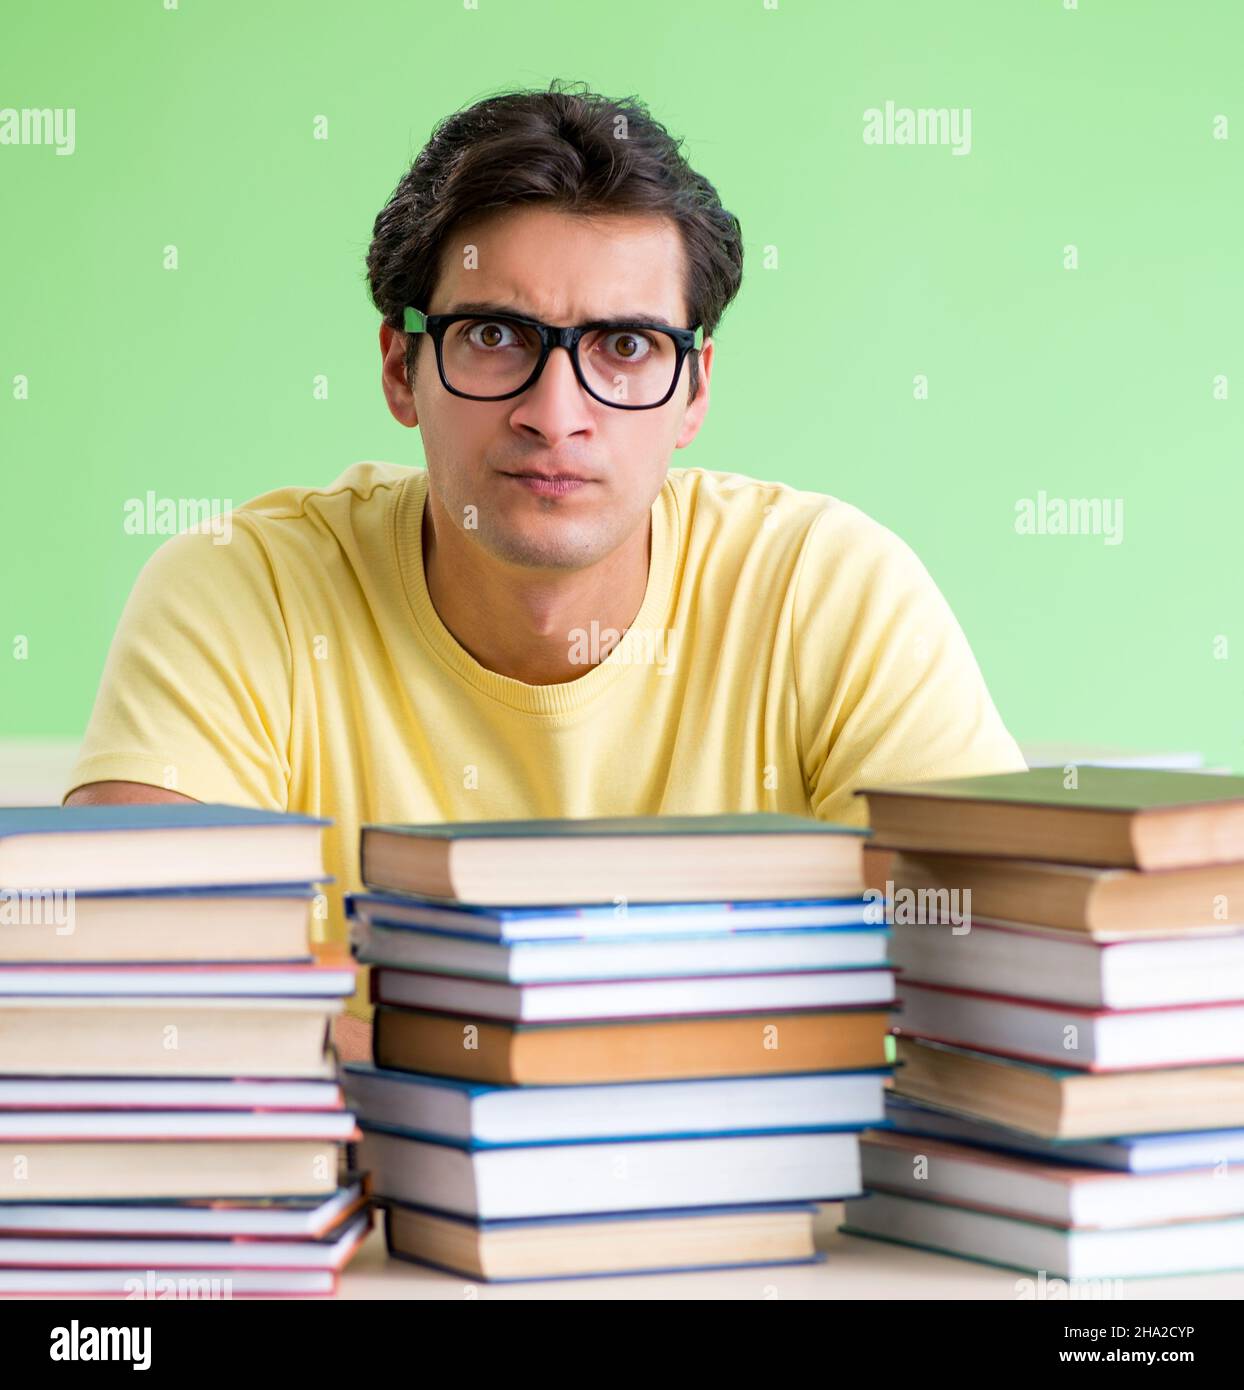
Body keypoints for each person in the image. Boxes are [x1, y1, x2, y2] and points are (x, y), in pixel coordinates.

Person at [64, 81, 1026, 1060]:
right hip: (367, 1210)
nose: (556, 412)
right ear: (401, 366)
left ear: (692, 392)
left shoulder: (831, 592)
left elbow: (996, 982)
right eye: (494, 336)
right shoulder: (241, 591)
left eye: (623, 346)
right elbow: (136, 1007)